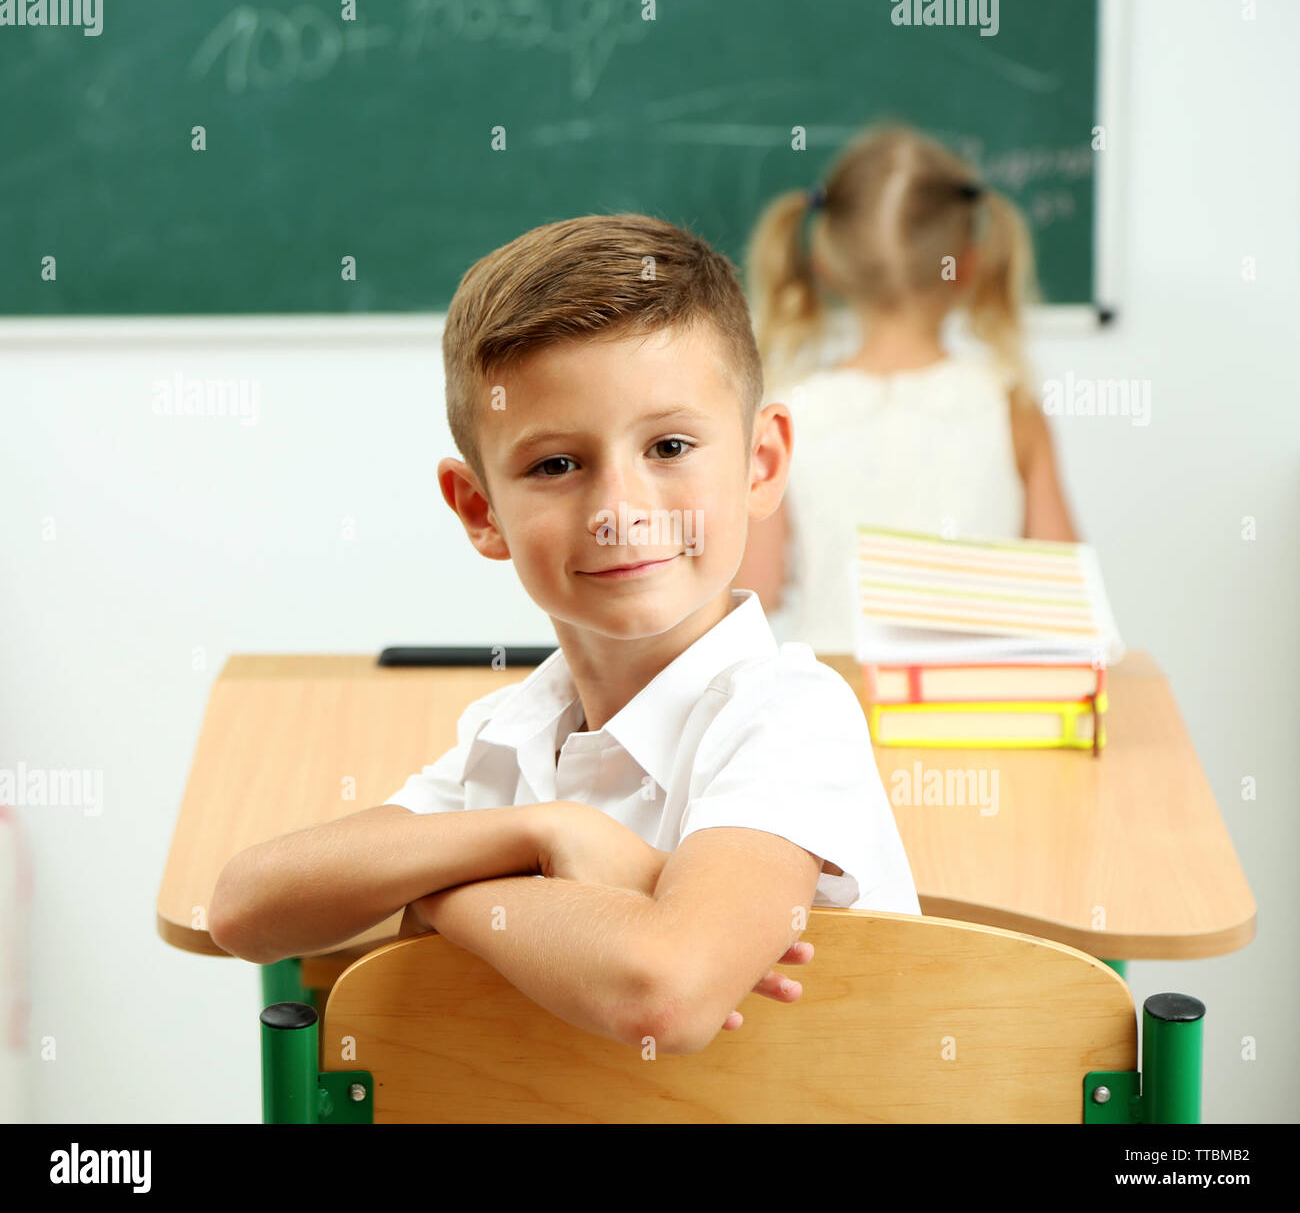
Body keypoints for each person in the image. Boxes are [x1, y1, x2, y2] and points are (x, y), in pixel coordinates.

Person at [210, 213, 919, 1057]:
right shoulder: (513, 738)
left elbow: (665, 995)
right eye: (555, 465)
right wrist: (541, 835)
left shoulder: (789, 717)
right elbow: (244, 909)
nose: (619, 513)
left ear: (760, 462)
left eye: (670, 445)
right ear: (480, 511)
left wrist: (442, 894)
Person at [737, 122, 1080, 655]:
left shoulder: (786, 415)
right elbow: (1062, 593)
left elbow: (754, 588)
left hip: (830, 707)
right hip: (976, 704)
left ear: (825, 267)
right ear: (969, 265)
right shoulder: (1009, 403)